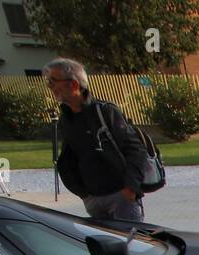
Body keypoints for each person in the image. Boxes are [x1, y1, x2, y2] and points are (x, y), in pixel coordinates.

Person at [47, 58, 149, 221]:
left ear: (73, 85)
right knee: (106, 245)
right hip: (93, 198)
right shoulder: (66, 118)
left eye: (53, 82)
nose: (50, 87)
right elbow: (69, 157)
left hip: (120, 196)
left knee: (132, 244)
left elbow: (135, 149)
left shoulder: (105, 111)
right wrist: (83, 194)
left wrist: (130, 188)